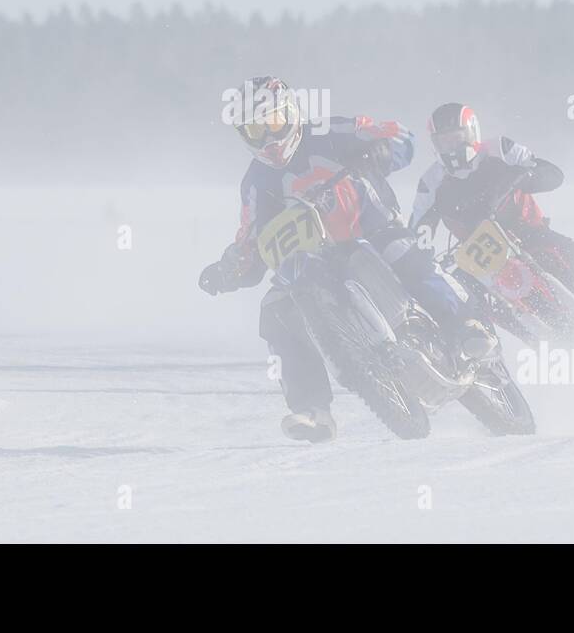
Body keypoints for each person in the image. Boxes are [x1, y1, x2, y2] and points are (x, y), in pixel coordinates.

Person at [198, 78, 492, 443]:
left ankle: (467, 324)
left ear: (291, 113)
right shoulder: (256, 183)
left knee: (402, 252)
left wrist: (383, 152)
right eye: (255, 130)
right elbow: (250, 238)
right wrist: (229, 269)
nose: (268, 139)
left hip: (369, 225)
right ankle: (312, 410)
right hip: (314, 259)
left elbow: (400, 137)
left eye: (272, 123)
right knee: (275, 310)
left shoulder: (330, 131)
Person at [410, 102, 574, 312]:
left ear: (471, 133)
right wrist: (422, 256)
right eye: (445, 142)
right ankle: (485, 336)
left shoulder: (500, 149)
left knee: (568, 253)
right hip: (480, 259)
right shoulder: (431, 181)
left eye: (456, 138)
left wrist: (525, 176)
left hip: (528, 232)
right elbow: (418, 229)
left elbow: (552, 174)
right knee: (464, 292)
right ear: (435, 145)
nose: (452, 148)